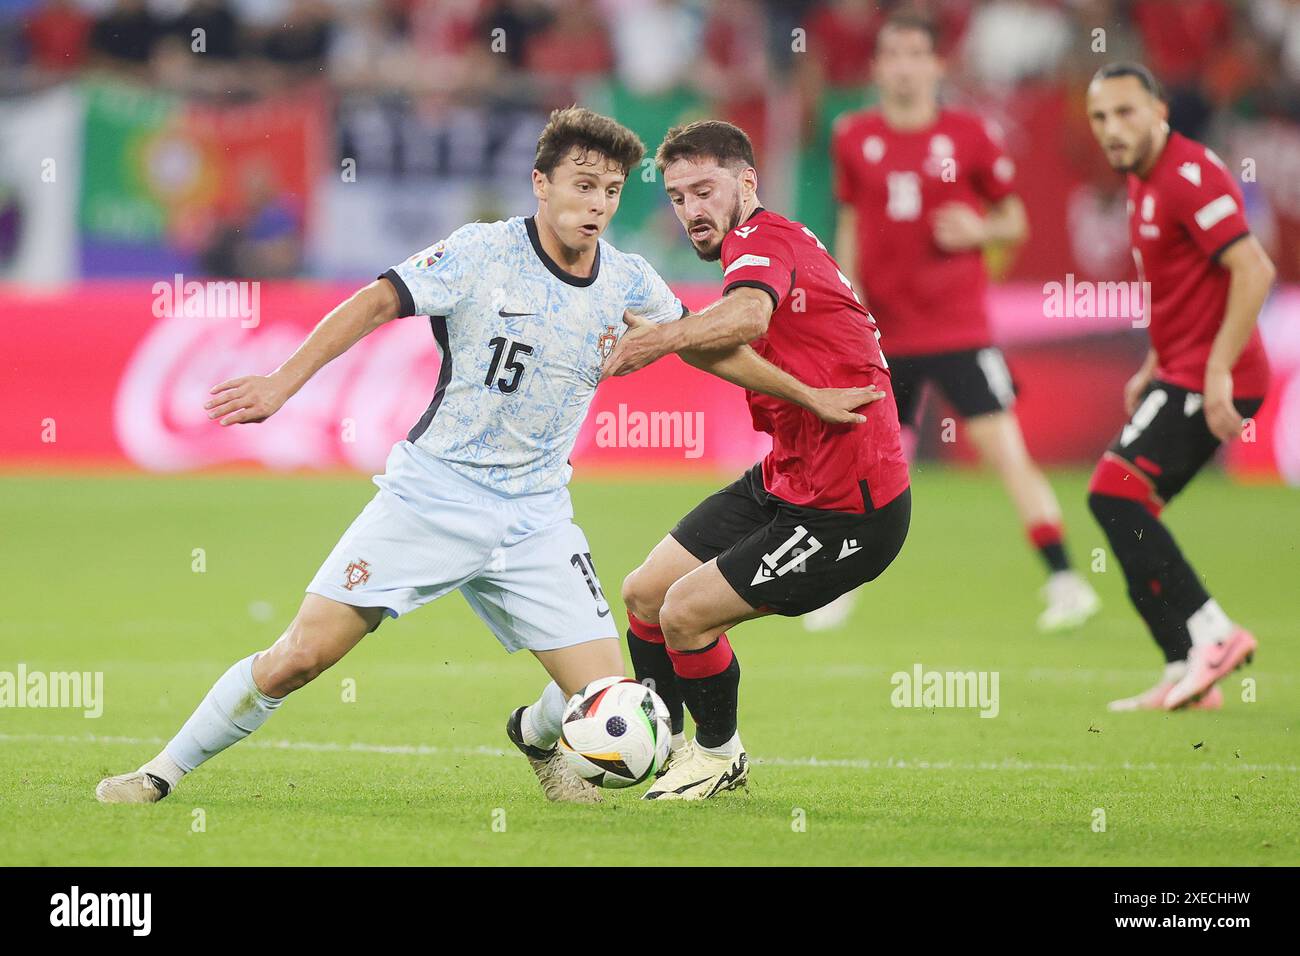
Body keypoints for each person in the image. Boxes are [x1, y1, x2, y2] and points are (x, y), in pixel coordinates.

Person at [95, 108, 879, 806]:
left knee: (622, 706)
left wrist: (809, 396)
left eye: (611, 190)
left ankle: (536, 736)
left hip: (537, 519)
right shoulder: (480, 254)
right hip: (432, 499)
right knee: (298, 659)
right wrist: (282, 382)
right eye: (582, 185)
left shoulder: (627, 280)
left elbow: (715, 351)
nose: (597, 205)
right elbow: (376, 300)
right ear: (540, 185)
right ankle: (159, 774)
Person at [602, 120, 910, 800]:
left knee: (684, 613)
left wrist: (662, 340)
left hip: (847, 506)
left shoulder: (761, 241)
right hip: (789, 476)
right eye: (679, 197)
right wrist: (673, 333)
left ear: (748, 183)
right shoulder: (764, 247)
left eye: (705, 190)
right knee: (644, 594)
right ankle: (666, 744)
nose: (691, 210)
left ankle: (719, 757)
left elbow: (746, 319)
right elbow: (735, 347)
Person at [826, 12, 1098, 634]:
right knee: (859, 466)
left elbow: (1015, 221)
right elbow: (849, 222)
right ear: (876, 67)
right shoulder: (853, 136)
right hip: (885, 333)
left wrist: (980, 229)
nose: (902, 66)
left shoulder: (969, 135)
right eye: (891, 55)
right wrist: (849, 294)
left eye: (914, 54)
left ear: (936, 65)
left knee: (1006, 452)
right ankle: (838, 586)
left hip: (958, 330)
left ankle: (1065, 580)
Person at [1084, 63, 1274, 711]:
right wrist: (1152, 364)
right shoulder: (1142, 180)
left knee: (1117, 496)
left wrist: (1217, 369)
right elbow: (1179, 291)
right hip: (1182, 367)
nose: (1113, 128)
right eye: (1101, 118)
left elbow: (1254, 269)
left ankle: (1213, 634)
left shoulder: (1189, 177)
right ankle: (1183, 667)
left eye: (1126, 112)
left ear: (1160, 109)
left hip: (1216, 375)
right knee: (1122, 505)